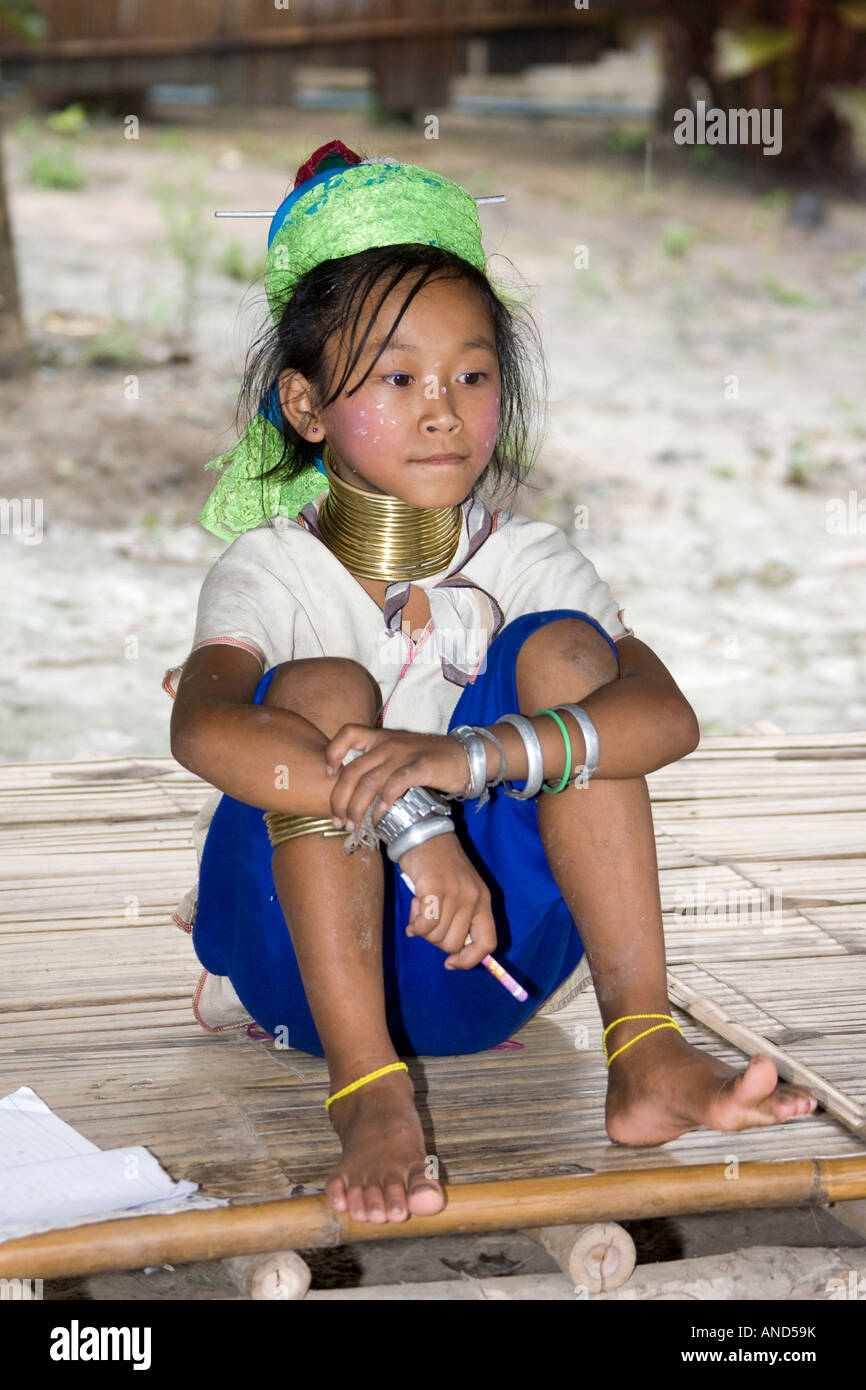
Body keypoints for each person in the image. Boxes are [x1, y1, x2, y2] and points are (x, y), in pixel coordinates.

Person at [166, 139, 818, 1226]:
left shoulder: (522, 558)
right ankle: (369, 1094)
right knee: (323, 686)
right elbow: (202, 732)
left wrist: (470, 755)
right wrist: (415, 822)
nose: (441, 408)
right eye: (396, 377)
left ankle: (642, 1045)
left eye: (470, 375)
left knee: (570, 659)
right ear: (305, 404)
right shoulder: (273, 569)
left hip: (501, 963)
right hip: (307, 975)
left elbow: (663, 719)